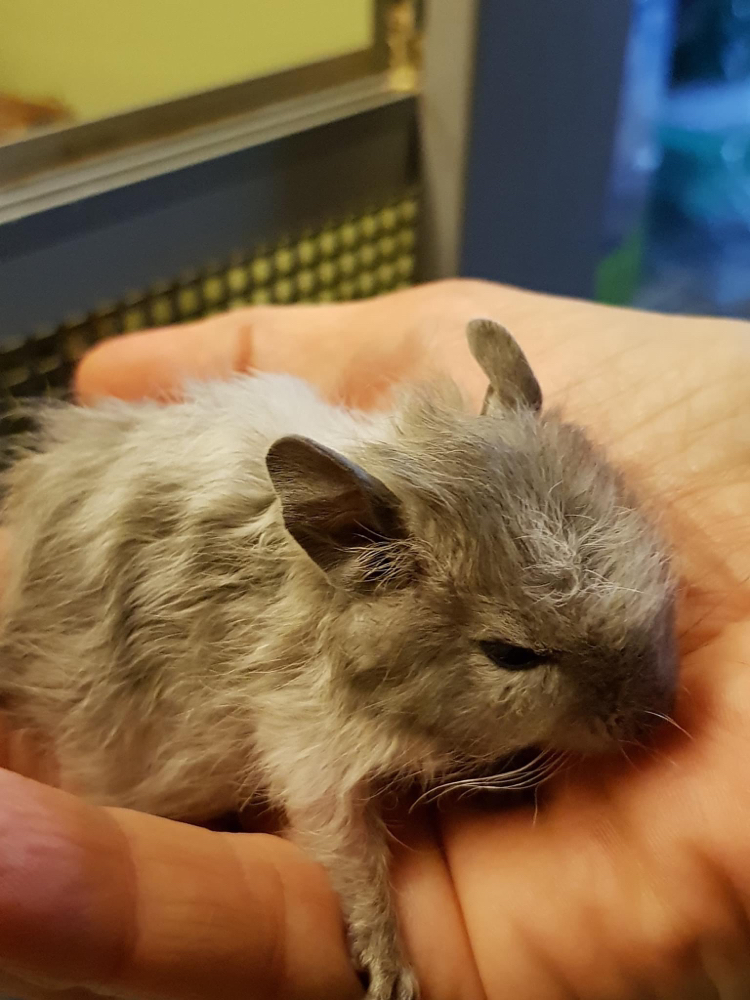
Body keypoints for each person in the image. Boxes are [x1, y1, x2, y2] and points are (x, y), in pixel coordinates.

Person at [0, 278, 749, 999]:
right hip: (98, 663)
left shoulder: (499, 537)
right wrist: (371, 920)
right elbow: (317, 777)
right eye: (517, 656)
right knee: (119, 819)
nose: (648, 706)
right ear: (355, 547)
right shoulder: (367, 598)